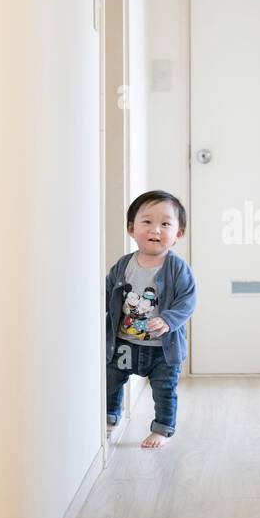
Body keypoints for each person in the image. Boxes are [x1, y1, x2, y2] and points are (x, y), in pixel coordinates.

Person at [105, 190, 197, 448]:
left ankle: (162, 428)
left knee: (164, 389)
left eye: (165, 224)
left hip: (162, 349)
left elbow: (187, 300)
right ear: (131, 229)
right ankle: (111, 416)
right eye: (147, 222)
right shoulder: (124, 265)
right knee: (111, 378)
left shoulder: (176, 267)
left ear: (178, 235)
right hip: (124, 342)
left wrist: (168, 320)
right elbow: (107, 292)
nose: (155, 229)